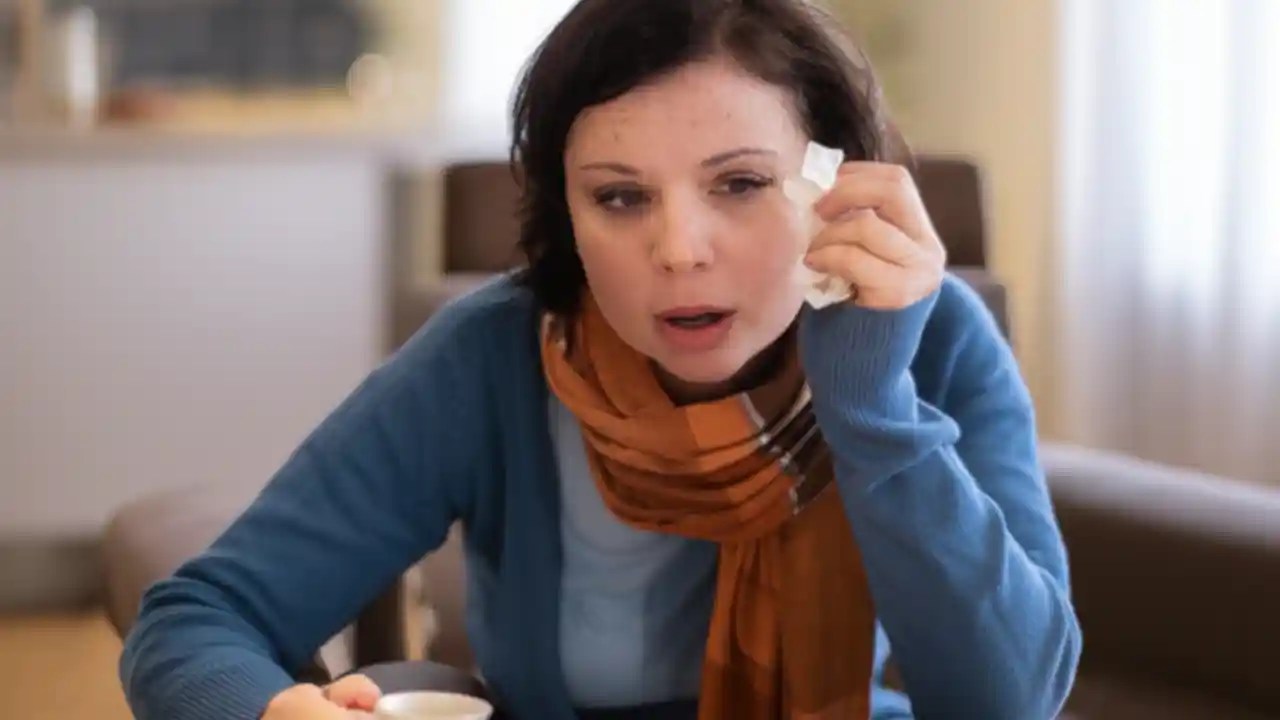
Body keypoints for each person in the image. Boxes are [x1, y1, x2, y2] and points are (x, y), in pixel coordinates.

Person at [119, 1, 1081, 718]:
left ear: (834, 184)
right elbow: (197, 620)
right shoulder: (496, 354)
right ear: (566, 213)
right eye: (620, 197)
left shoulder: (934, 337)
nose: (679, 250)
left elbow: (1009, 703)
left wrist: (870, 408)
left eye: (740, 184)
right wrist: (270, 713)